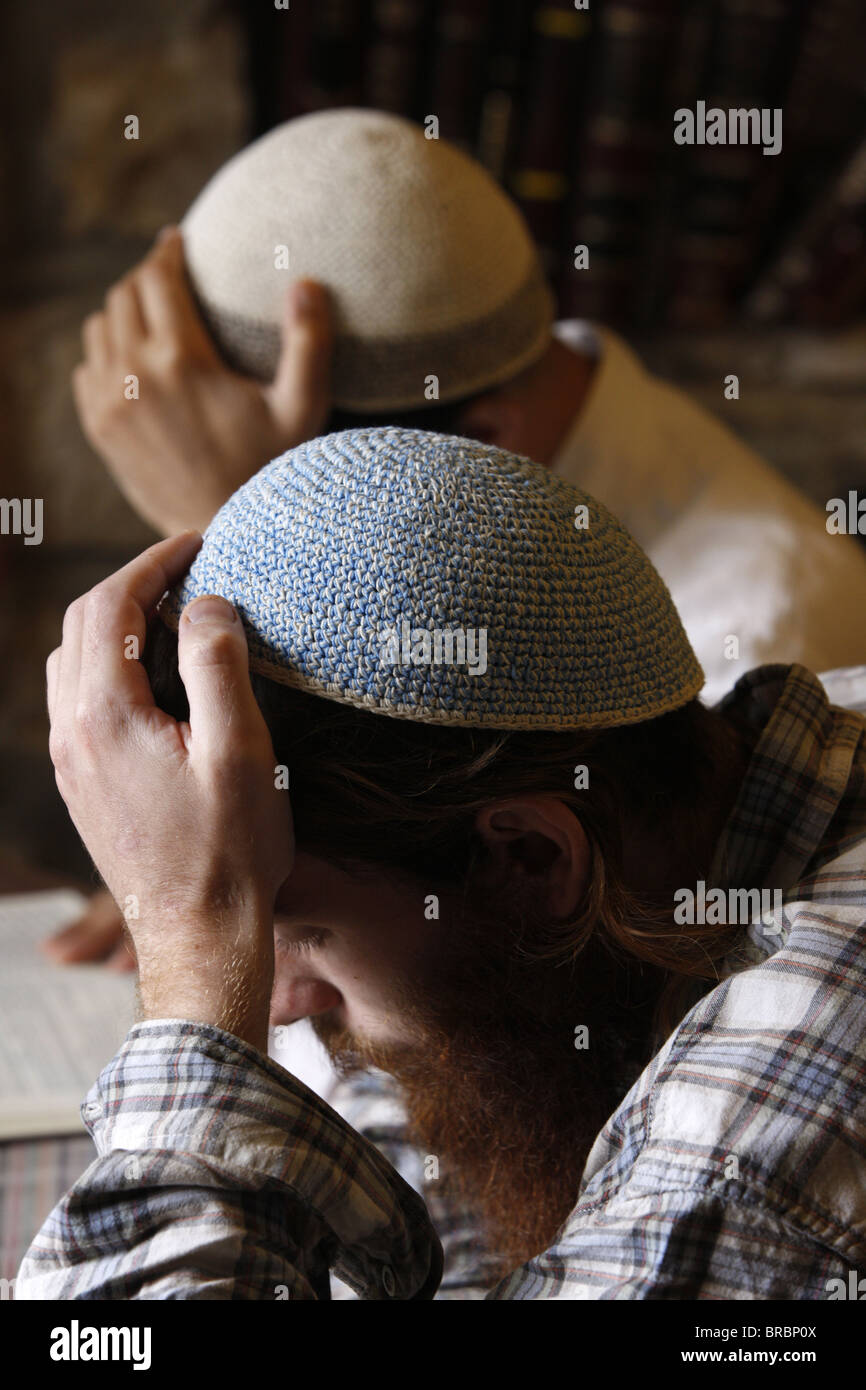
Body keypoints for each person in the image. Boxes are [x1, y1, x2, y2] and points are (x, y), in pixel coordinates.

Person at [19, 429, 866, 1298]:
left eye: (301, 931)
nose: (275, 1009)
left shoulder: (757, 1154)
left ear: (530, 857)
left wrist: (192, 956)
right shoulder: (714, 799)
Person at [49, 109, 866, 978]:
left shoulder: (764, 620)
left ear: (486, 441)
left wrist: (237, 560)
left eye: (304, 487)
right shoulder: (531, 389)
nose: (277, 517)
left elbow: (543, 1041)